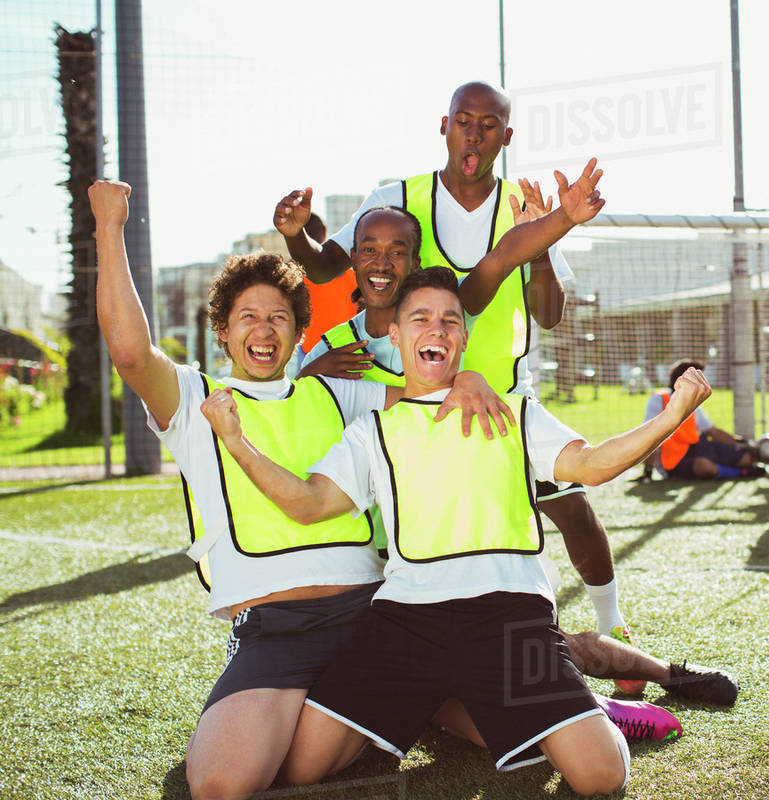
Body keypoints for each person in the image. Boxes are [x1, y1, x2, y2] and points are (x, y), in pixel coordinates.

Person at [200, 266, 716, 795]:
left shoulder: (514, 412)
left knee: (599, 776)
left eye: (450, 320)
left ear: (464, 338)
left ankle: (592, 713)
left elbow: (591, 465)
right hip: (404, 625)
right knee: (304, 767)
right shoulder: (373, 429)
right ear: (396, 336)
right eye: (420, 318)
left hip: (509, 621)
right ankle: (443, 708)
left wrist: (672, 414)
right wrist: (238, 442)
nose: (437, 330)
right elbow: (309, 504)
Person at [274, 81, 647, 693]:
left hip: (501, 395)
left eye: (489, 123)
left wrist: (550, 236)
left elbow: (532, 294)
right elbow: (326, 264)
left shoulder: (520, 210)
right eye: (463, 121)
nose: (474, 134)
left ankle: (611, 629)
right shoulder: (395, 201)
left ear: (506, 135)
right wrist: (296, 236)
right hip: (421, 398)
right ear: (443, 126)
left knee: (569, 509)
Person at [641, 359, 767, 480]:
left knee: (745, 457)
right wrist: (648, 470)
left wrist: (742, 442)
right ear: (683, 381)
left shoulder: (692, 401)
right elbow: (650, 437)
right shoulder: (658, 401)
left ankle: (731, 466)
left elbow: (712, 431)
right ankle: (740, 473)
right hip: (674, 460)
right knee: (704, 467)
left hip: (697, 448)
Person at [297, 212, 358, 359]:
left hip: (309, 349)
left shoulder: (298, 277)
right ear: (325, 231)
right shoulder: (354, 276)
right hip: (346, 349)